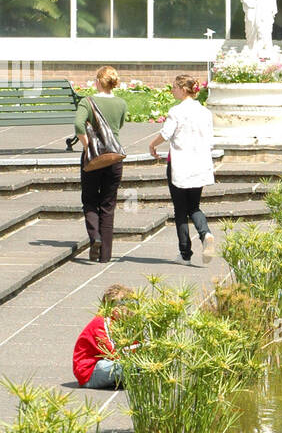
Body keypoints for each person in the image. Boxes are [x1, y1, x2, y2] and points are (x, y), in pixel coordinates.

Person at [149, 74, 216, 264]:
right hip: (200, 164)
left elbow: (166, 133)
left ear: (182, 88)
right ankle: (206, 234)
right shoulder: (205, 112)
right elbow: (210, 138)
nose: (172, 90)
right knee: (194, 206)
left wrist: (152, 145)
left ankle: (185, 253)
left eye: (174, 87)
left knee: (180, 209)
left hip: (180, 164)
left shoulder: (176, 111)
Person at [74, 65, 128, 263]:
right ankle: (105, 255)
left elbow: (78, 124)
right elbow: (119, 125)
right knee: (108, 204)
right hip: (114, 158)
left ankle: (94, 236)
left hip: (93, 158)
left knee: (89, 200)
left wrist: (88, 146)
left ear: (98, 81)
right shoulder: (121, 103)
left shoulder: (87, 102)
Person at [72, 284, 134, 390]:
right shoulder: (101, 323)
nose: (128, 309)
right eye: (123, 304)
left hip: (106, 363)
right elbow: (113, 352)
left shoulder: (122, 323)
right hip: (89, 373)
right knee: (127, 365)